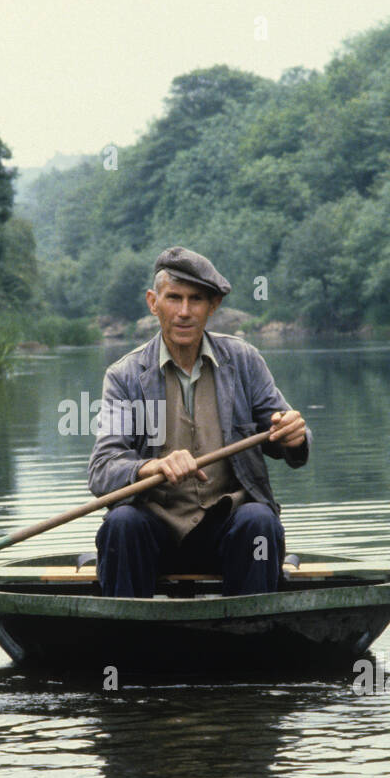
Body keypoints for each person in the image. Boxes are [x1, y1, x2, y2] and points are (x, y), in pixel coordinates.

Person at [87, 246, 310, 597]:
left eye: (196, 300)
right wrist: (152, 466)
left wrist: (293, 435)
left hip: (229, 527)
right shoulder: (125, 375)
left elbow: (285, 432)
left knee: (259, 520)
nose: (184, 312)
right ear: (153, 302)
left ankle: (251, 634)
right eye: (174, 298)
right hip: (154, 531)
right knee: (121, 523)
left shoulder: (244, 361)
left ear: (213, 306)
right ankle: (126, 642)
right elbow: (103, 470)